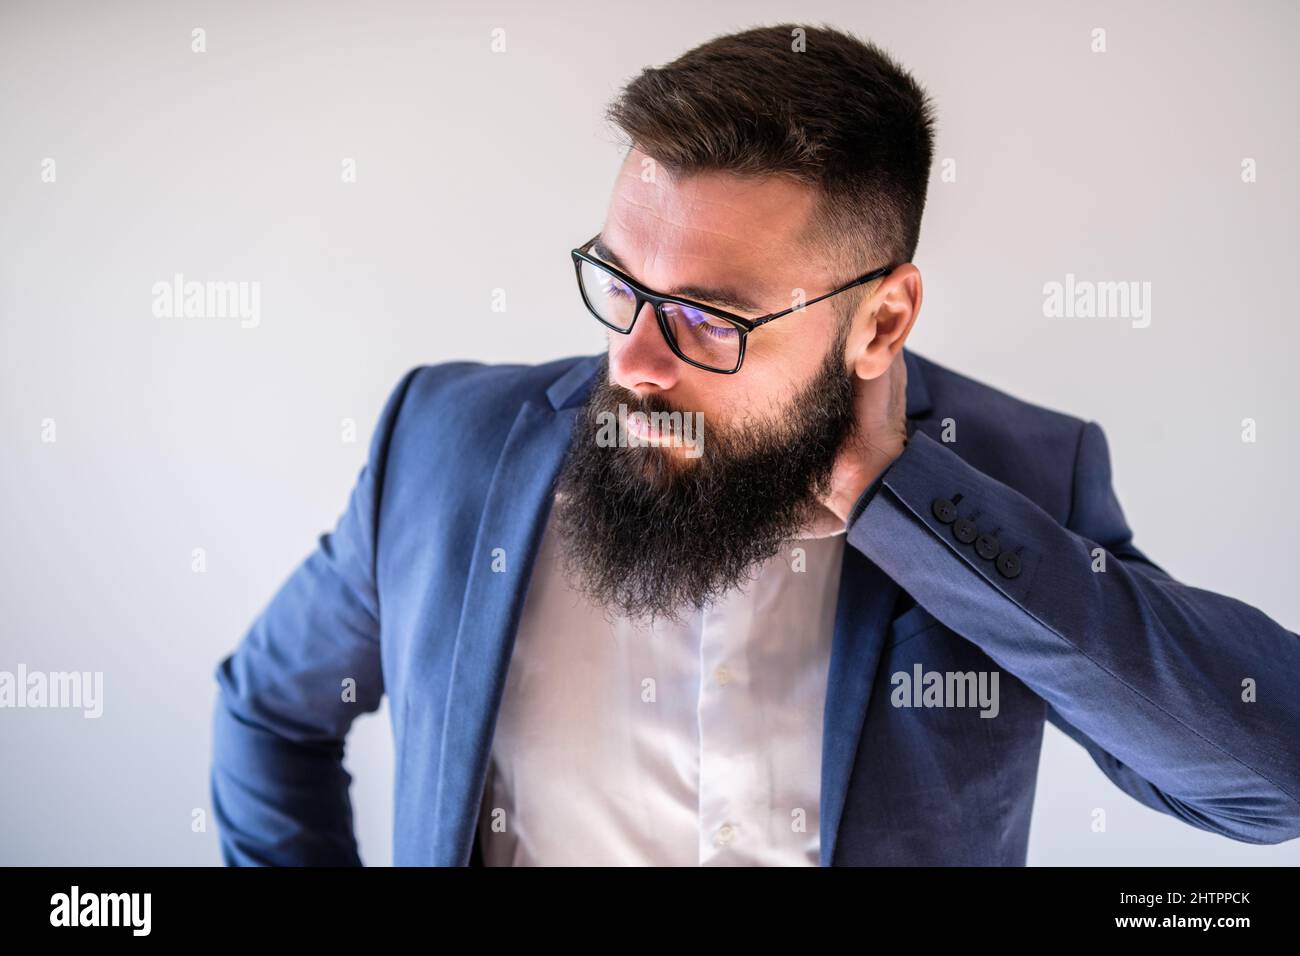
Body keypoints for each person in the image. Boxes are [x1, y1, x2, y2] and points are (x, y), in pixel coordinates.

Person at [210, 24, 1300, 866]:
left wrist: (896, 494)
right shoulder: (444, 445)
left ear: (880, 321)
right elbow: (268, 711)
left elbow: (1268, 777)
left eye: (707, 317)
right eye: (620, 285)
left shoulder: (1015, 478)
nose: (633, 361)